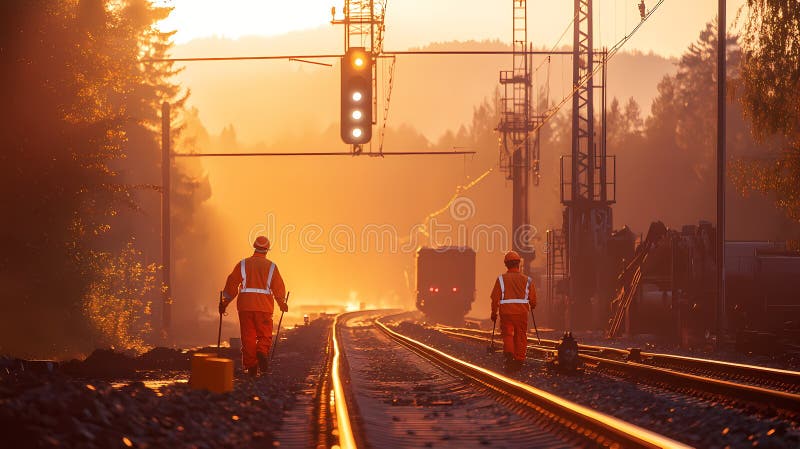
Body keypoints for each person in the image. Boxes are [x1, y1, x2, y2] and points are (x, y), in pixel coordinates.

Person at [219, 236, 288, 377]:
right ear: (267, 250)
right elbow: (278, 288)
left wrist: (224, 303)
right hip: (264, 307)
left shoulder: (243, 264)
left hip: (245, 307)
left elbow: (232, 284)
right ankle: (262, 352)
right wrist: (282, 303)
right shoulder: (271, 267)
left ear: (254, 247)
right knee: (265, 334)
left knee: (248, 337)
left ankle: (251, 368)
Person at [490, 251, 536, 371]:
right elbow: (533, 299)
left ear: (506, 264)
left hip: (506, 313)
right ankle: (519, 360)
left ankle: (509, 354)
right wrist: (532, 305)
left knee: (508, 334)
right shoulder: (527, 280)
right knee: (521, 335)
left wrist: (493, 313)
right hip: (521, 314)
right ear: (518, 264)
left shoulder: (501, 279)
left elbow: (495, 298)